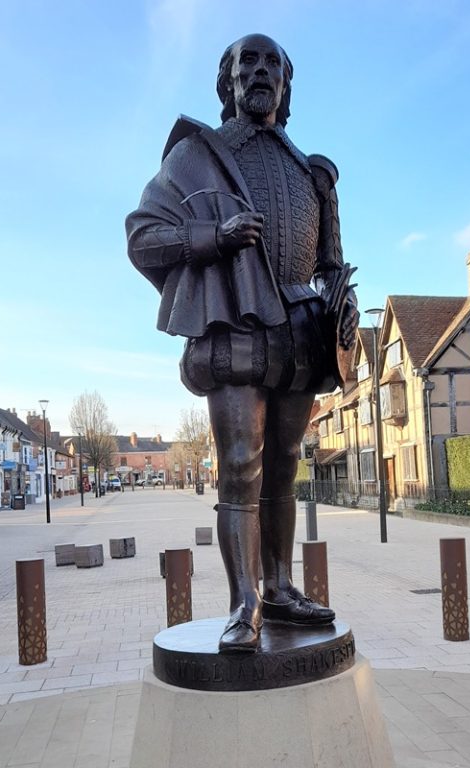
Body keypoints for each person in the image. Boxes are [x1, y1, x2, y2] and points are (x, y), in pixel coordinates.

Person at [126, 33, 358, 653]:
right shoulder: (195, 158)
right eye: (246, 62)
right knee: (239, 467)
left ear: (286, 86)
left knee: (285, 465)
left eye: (272, 64)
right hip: (233, 323)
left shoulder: (312, 173)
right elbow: (143, 238)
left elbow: (331, 264)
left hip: (300, 333)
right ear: (226, 82)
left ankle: (281, 587)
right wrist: (214, 236)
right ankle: (244, 602)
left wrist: (344, 296)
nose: (259, 72)